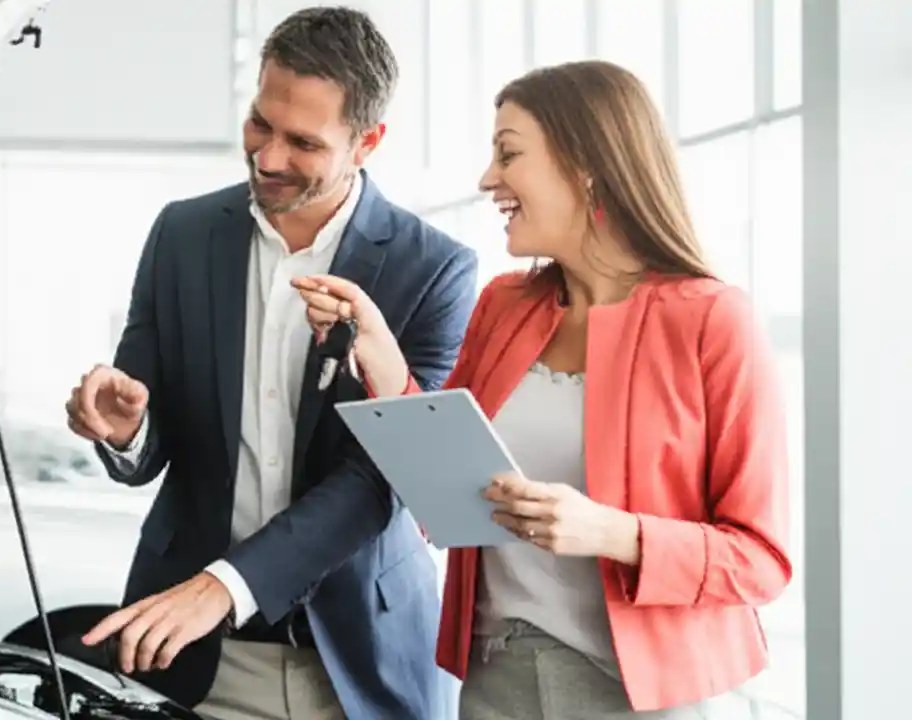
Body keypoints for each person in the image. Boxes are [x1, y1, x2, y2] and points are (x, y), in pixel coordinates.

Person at [295, 60, 792, 719]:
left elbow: (760, 559)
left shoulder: (710, 318)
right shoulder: (505, 304)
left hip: (643, 697)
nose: (486, 179)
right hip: (495, 678)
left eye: (509, 154)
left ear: (586, 164)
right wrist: (383, 359)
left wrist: (612, 532)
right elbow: (447, 476)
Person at [65, 7, 478, 719]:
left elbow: (386, 480)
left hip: (359, 665)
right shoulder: (182, 234)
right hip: (194, 660)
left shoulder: (434, 270)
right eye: (260, 123)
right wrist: (125, 428)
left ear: (367, 141)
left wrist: (224, 585)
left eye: (303, 142)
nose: (268, 157)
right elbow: (152, 421)